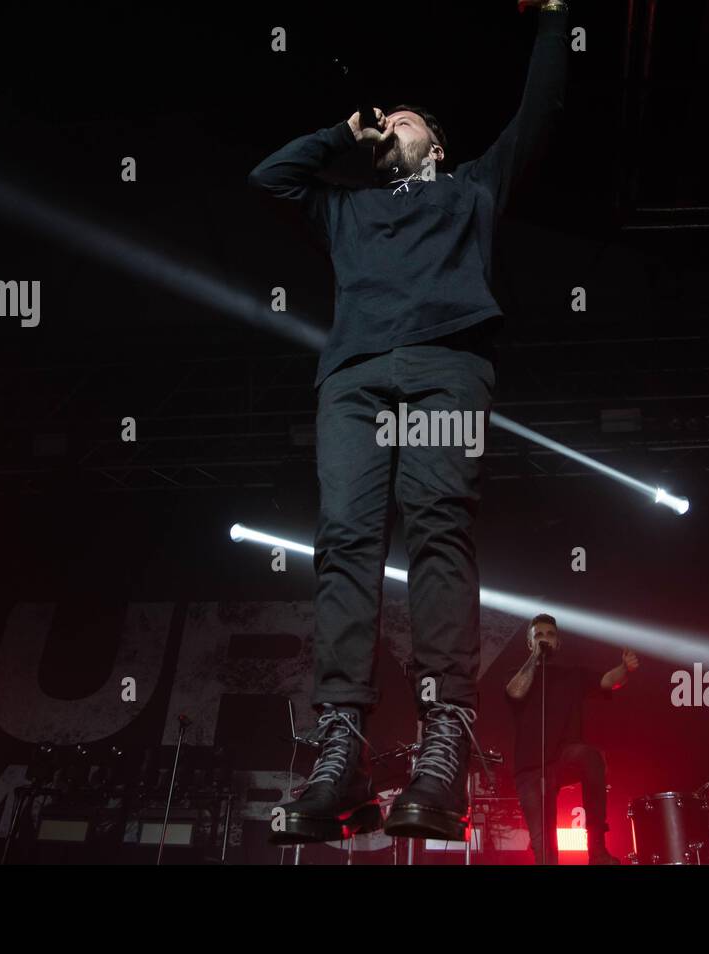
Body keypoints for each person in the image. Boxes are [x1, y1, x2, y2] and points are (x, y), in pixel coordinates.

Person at [249, 0, 573, 845]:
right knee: (346, 542)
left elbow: (538, 113)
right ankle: (342, 748)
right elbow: (271, 178)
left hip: (444, 367)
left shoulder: (473, 188)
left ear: (436, 139)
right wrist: (342, 135)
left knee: (435, 525)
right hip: (353, 379)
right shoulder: (346, 207)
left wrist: (552, 21)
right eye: (382, 118)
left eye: (405, 119)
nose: (390, 122)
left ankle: (444, 740)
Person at [504, 613, 638, 864]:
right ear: (529, 643)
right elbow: (515, 692)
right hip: (530, 769)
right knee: (545, 853)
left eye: (550, 635)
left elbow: (608, 681)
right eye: (539, 636)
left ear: (558, 642)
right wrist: (535, 658)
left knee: (590, 756)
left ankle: (597, 849)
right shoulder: (517, 674)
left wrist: (624, 668)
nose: (545, 639)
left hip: (564, 758)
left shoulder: (572, 675)